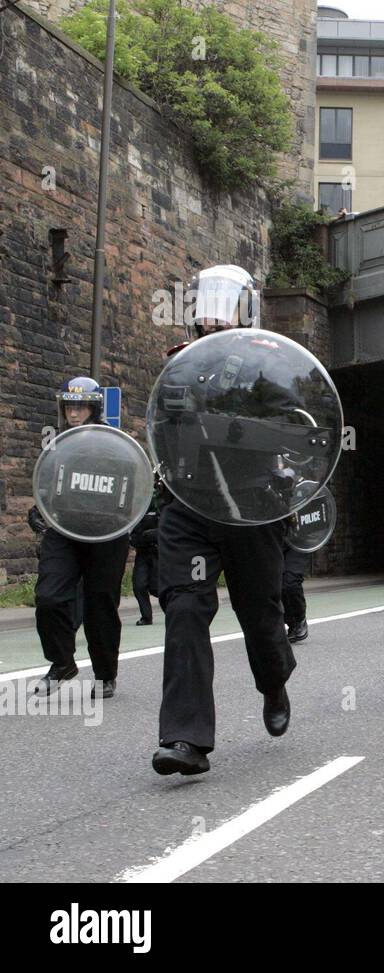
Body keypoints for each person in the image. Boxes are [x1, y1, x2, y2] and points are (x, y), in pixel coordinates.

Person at [152, 265, 299, 777]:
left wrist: (229, 424)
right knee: (185, 608)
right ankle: (186, 738)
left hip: (251, 505)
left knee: (259, 612)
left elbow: (296, 431)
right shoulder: (177, 367)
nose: (212, 317)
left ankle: (274, 679)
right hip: (189, 504)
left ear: (247, 309)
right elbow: (157, 432)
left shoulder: (268, 366)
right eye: (204, 303)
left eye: (225, 303)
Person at [30, 377, 132, 700]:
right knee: (49, 596)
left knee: (100, 604)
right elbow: (49, 482)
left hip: (106, 534)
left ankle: (105, 674)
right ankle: (61, 662)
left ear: (94, 407)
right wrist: (39, 506)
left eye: (80, 406)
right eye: (69, 406)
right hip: (64, 530)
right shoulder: (58, 442)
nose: (73, 413)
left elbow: (129, 485)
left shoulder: (113, 442)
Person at [128, 493, 160, 626]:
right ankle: (146, 617)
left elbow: (166, 529)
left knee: (157, 588)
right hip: (142, 552)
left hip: (159, 552)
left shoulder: (159, 506)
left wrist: (151, 535)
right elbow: (133, 535)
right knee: (139, 586)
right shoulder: (136, 511)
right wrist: (139, 539)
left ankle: (173, 611)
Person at [281, 544, 310, 643]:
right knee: (273, 583)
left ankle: (299, 619)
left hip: (297, 540)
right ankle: (289, 624)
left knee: (290, 581)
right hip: (271, 540)